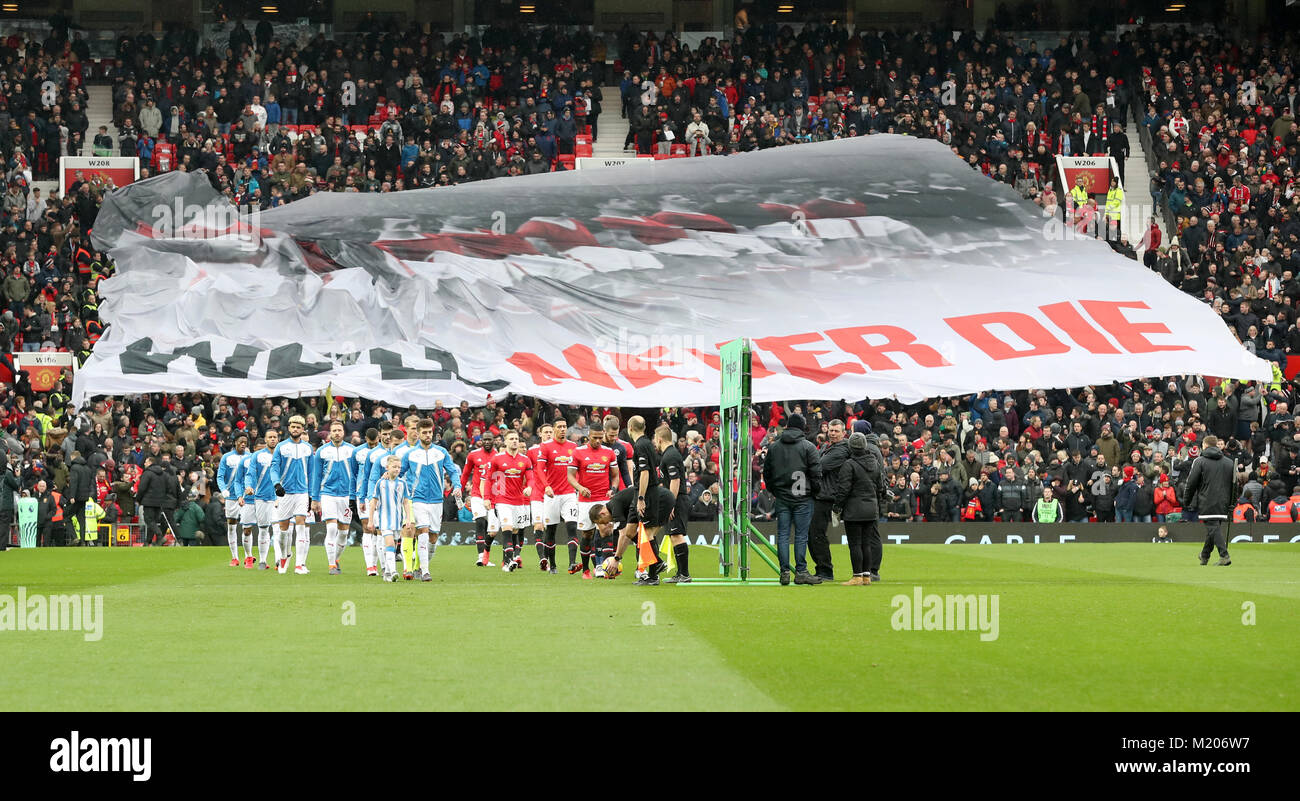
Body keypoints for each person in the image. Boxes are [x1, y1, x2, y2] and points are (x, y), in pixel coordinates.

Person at [761, 413, 823, 585]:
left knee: (782, 535)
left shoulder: (774, 447)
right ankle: (801, 571)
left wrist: (775, 491)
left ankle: (784, 572)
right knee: (801, 536)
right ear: (802, 427)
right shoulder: (808, 447)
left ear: (787, 426)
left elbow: (767, 474)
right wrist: (814, 492)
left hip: (782, 497)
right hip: (803, 497)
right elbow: (816, 474)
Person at [400, 418, 462, 582]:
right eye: (424, 432)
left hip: (436, 500)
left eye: (430, 432)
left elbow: (453, 471)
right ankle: (424, 571)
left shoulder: (441, 452)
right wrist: (390, 479)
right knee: (423, 532)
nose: (428, 435)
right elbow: (400, 473)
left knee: (433, 538)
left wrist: (457, 485)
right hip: (418, 499)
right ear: (418, 433)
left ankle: (422, 565)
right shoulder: (410, 454)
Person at [590, 484, 676, 582]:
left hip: (660, 500)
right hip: (660, 499)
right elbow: (628, 533)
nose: (606, 524)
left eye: (602, 522)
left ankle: (654, 574)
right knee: (632, 532)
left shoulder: (615, 508)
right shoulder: (617, 505)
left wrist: (616, 559)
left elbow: (623, 536)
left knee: (648, 536)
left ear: (602, 514)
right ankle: (657, 563)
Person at [833, 432, 886, 585]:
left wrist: (837, 507)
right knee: (867, 543)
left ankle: (857, 576)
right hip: (871, 508)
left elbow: (843, 490)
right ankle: (867, 576)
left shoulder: (849, 464)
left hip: (854, 509)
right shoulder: (875, 463)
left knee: (855, 544)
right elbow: (881, 486)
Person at [566, 426, 618, 579]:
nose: (597, 440)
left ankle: (606, 568)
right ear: (588, 436)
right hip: (585, 500)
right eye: (594, 437)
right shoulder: (578, 452)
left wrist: (613, 489)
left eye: (600, 438)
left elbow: (615, 476)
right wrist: (580, 488)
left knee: (607, 529)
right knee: (587, 534)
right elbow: (570, 475)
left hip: (603, 498)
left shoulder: (609, 452)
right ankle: (586, 570)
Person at [483, 430, 534, 572]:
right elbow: (489, 479)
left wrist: (530, 487)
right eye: (511, 438)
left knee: (515, 531)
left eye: (516, 438)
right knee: (507, 528)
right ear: (505, 442)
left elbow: (531, 477)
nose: (515, 441)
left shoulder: (525, 460)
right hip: (502, 500)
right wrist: (487, 498)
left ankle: (506, 562)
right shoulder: (497, 459)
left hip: (519, 502)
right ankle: (510, 560)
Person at [310, 420, 356, 576]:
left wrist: (356, 496)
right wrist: (315, 499)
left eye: (339, 430)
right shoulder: (322, 451)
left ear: (344, 432)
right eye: (334, 430)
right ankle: (331, 565)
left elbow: (357, 475)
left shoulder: (352, 451)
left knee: (343, 533)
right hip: (327, 494)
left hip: (346, 495)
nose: (337, 433)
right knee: (331, 528)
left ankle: (335, 559)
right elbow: (316, 476)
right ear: (330, 433)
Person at [1182, 435, 1236, 566]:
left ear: (1205, 446)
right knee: (1213, 529)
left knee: (1213, 528)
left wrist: (1186, 501)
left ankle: (1224, 555)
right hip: (1224, 502)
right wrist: (1232, 503)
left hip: (1207, 500)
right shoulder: (1229, 462)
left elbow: (1191, 483)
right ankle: (1205, 555)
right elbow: (1235, 485)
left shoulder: (1199, 461)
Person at [270, 415, 314, 574]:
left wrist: (312, 495)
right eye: (293, 426)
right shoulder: (281, 447)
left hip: (302, 492)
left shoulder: (308, 448)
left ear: (302, 429)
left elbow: (312, 472)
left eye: (298, 427)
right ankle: (284, 556)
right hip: (285, 493)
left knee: (301, 524)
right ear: (289, 428)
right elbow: (274, 468)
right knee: (283, 529)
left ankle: (300, 564)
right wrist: (277, 484)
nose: (295, 429)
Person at [808, 418, 849, 581]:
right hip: (821, 494)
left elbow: (819, 465)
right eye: (831, 430)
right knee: (814, 534)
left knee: (817, 533)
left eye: (836, 431)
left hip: (827, 497)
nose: (832, 433)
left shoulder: (841, 450)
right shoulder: (827, 447)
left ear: (843, 433)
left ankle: (825, 570)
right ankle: (822, 568)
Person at [537, 418, 578, 573]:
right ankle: (552, 565)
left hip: (569, 494)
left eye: (564, 426)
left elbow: (577, 469)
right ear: (554, 429)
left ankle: (572, 563)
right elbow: (540, 469)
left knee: (572, 527)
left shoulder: (573, 447)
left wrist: (578, 486)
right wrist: (546, 486)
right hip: (552, 495)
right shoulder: (546, 446)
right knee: (551, 531)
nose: (562, 429)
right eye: (559, 427)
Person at [653, 423, 692, 583]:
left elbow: (675, 481)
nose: (654, 442)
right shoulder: (670, 454)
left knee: (677, 535)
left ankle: (685, 574)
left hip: (677, 500)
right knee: (674, 536)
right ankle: (681, 574)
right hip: (676, 499)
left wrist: (671, 503)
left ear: (660, 439)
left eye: (655, 439)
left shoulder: (670, 456)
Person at [361, 423, 399, 575]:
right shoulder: (375, 455)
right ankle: (383, 567)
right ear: (380, 435)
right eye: (385, 433)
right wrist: (369, 497)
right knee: (379, 532)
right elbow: (369, 478)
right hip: (380, 499)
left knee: (394, 535)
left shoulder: (399, 454)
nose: (388, 437)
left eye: (390, 433)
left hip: (397, 500)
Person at [369, 455, 411, 582]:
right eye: (394, 467)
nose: (397, 469)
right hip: (385, 520)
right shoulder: (381, 483)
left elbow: (406, 502)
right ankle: (393, 571)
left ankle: (387, 573)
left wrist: (408, 518)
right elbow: (373, 502)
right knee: (390, 544)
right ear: (387, 467)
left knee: (392, 547)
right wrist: (371, 520)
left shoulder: (402, 483)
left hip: (397, 520)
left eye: (399, 467)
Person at [463, 431, 499, 567]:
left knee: (492, 528)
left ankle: (487, 554)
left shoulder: (498, 456)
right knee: (479, 522)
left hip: (493, 496)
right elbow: (466, 473)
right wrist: (460, 489)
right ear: (481, 441)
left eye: (490, 439)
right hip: (477, 494)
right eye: (485, 440)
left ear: (494, 440)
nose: (487, 442)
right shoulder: (473, 455)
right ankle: (480, 557)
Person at [246, 431, 281, 570]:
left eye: (275, 437)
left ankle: (279, 559)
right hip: (260, 497)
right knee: (263, 529)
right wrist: (249, 486)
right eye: (270, 437)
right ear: (265, 440)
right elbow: (250, 473)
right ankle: (262, 560)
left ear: (278, 439)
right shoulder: (257, 456)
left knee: (278, 529)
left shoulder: (282, 455)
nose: (272, 439)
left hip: (278, 497)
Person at [216, 435, 250, 565]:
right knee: (232, 526)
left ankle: (248, 556)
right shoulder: (227, 457)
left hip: (246, 497)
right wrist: (223, 489)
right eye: (241, 442)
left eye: (245, 442)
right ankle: (235, 557)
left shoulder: (250, 457)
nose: (243, 444)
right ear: (235, 442)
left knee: (247, 527)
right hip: (231, 497)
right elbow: (220, 477)